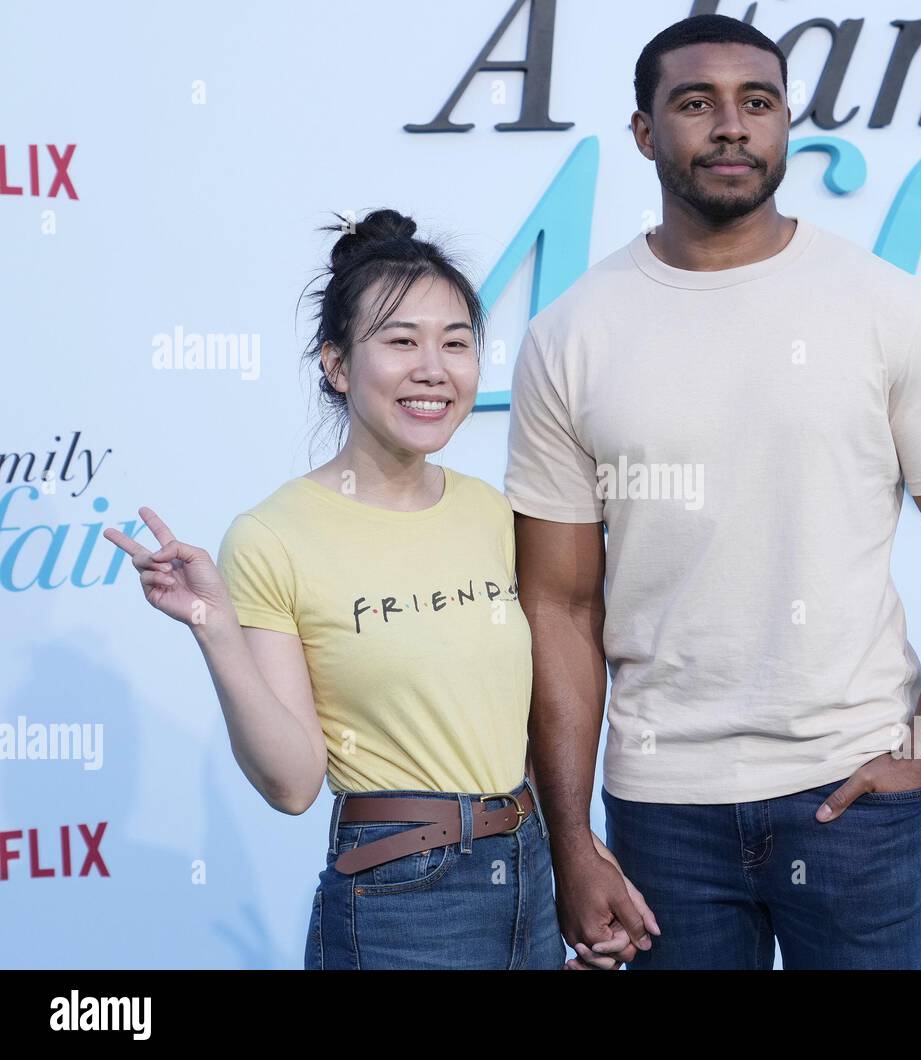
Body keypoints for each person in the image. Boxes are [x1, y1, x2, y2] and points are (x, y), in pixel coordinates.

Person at [504, 15, 921, 970]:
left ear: (789, 124)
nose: (732, 127)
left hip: (854, 795)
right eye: (696, 103)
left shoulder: (882, 305)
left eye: (759, 102)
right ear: (642, 133)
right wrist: (569, 840)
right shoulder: (572, 334)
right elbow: (559, 601)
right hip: (661, 809)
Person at [104, 208, 652, 970]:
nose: (434, 368)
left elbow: (525, 729)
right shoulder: (273, 536)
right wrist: (214, 627)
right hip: (399, 892)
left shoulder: (495, 514)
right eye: (400, 342)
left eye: (456, 343)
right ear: (336, 364)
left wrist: (574, 858)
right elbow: (293, 783)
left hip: (524, 868)